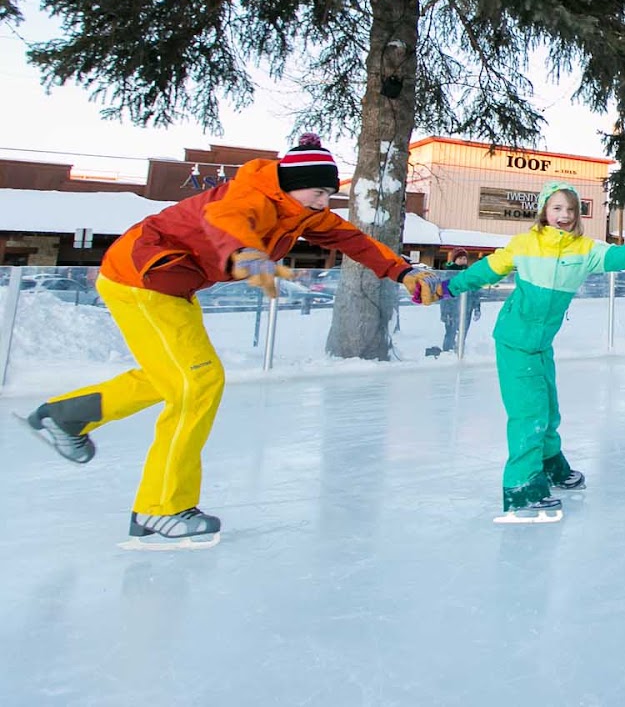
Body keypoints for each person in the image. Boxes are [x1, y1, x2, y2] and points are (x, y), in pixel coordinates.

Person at [18, 133, 447, 548]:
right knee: (199, 382)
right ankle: (161, 506)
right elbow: (224, 220)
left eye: (327, 193)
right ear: (294, 185)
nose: (324, 201)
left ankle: (67, 417)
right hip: (141, 276)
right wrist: (245, 252)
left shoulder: (304, 213)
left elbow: (354, 240)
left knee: (170, 377)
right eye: (318, 192)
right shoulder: (249, 195)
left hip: (167, 285)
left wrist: (404, 271)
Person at [446, 182, 625, 524]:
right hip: (515, 340)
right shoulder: (525, 244)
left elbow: (621, 256)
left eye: (570, 210)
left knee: (548, 410)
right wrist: (447, 284)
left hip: (541, 344)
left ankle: (551, 468)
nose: (563, 216)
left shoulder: (584, 250)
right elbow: (485, 270)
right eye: (556, 208)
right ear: (544, 210)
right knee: (528, 415)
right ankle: (521, 489)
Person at [429, 249, 481, 357]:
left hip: (467, 310)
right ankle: (447, 353)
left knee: (462, 333)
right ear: (454, 260)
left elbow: (475, 292)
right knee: (450, 333)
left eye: (465, 258)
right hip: (452, 311)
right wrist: (445, 313)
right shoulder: (449, 274)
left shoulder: (469, 274)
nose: (463, 260)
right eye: (460, 258)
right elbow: (444, 295)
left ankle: (459, 352)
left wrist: (477, 308)